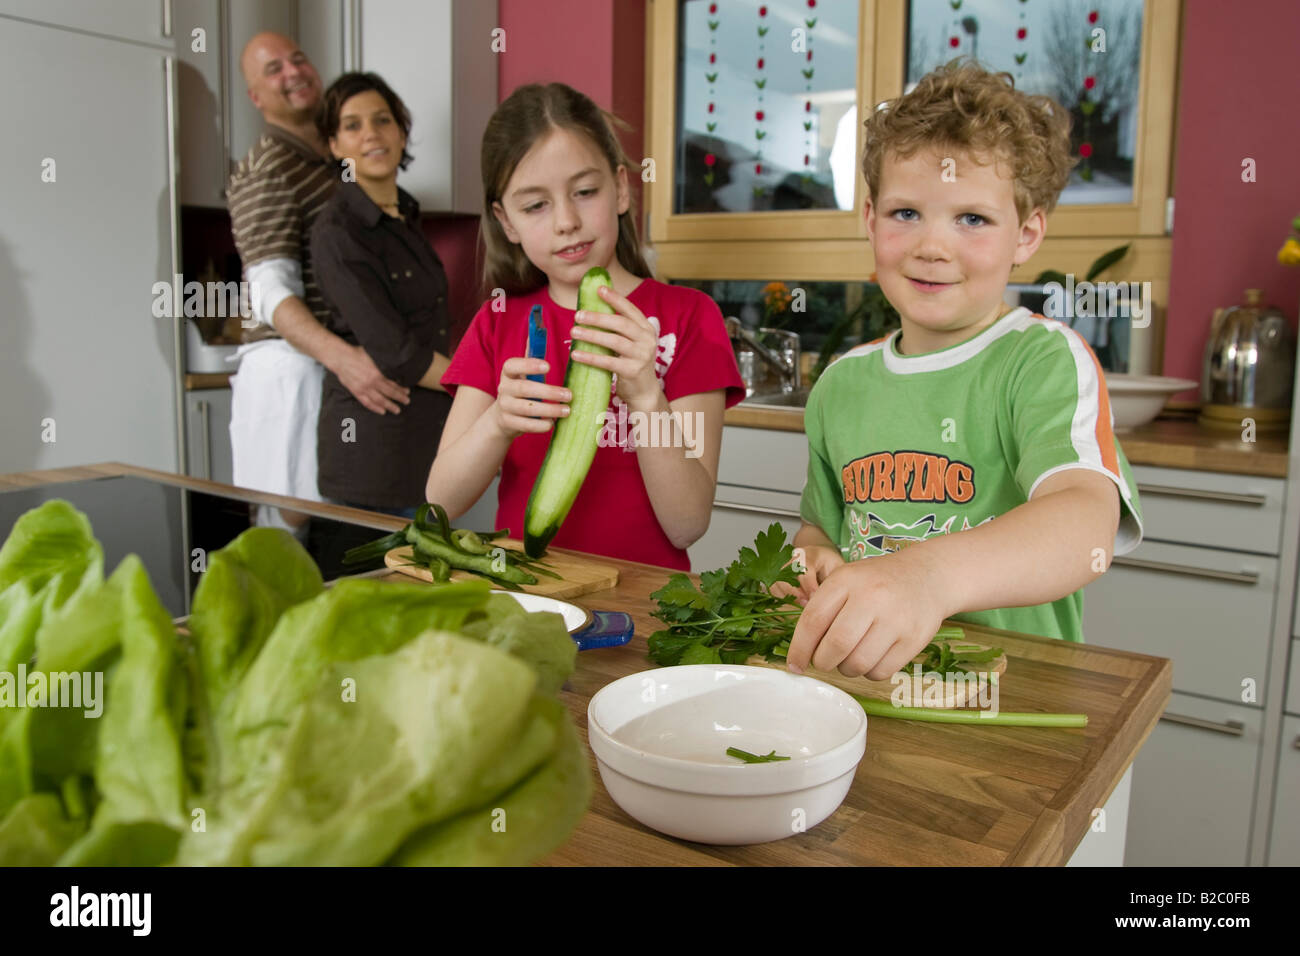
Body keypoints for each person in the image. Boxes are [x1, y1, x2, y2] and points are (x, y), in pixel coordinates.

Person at [782, 60, 1144, 679]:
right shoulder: (842, 384)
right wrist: (811, 562)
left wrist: (926, 578)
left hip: (1012, 703)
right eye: (905, 214)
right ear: (870, 218)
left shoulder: (1041, 361)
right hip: (866, 692)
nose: (932, 246)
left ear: (1026, 234)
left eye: (971, 219)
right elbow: (818, 530)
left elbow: (1086, 525)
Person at [428, 83, 745, 570]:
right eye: (535, 205)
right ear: (505, 221)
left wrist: (646, 398)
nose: (567, 221)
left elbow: (687, 523)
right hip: (530, 599)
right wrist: (496, 424)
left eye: (585, 191)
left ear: (620, 187)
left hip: (648, 609)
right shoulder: (497, 322)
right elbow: (441, 502)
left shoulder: (690, 318)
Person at [225, 33, 410, 531]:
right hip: (292, 371)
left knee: (333, 533)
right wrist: (344, 359)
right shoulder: (268, 167)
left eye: (298, 60)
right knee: (291, 535)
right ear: (255, 97)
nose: (292, 72)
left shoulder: (333, 166)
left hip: (333, 372)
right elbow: (268, 289)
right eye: (273, 70)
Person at [308, 73, 453, 517]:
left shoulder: (406, 214)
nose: (371, 133)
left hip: (423, 450)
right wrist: (479, 387)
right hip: (371, 457)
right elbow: (397, 352)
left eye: (382, 120)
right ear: (334, 145)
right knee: (377, 586)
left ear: (401, 131)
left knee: (429, 586)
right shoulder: (338, 230)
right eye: (352, 125)